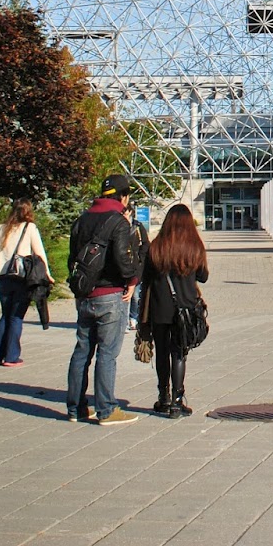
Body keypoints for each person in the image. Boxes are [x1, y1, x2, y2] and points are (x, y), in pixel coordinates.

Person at [66, 174, 144, 425]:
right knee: (107, 354)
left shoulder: (81, 219)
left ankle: (76, 408)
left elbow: (72, 258)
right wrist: (132, 281)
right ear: (124, 197)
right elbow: (123, 259)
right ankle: (107, 409)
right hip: (110, 294)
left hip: (85, 294)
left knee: (82, 351)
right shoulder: (118, 221)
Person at [139, 203, 209, 418]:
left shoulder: (157, 246)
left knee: (162, 353)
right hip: (185, 309)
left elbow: (145, 277)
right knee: (179, 353)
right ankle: (177, 402)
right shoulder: (194, 246)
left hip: (159, 307)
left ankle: (163, 398)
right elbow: (203, 277)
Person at [0, 199, 47, 367]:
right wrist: (47, 275)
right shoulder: (29, 228)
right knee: (16, 317)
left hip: (3, 277)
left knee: (6, 314)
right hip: (21, 278)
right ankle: (11, 356)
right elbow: (39, 254)